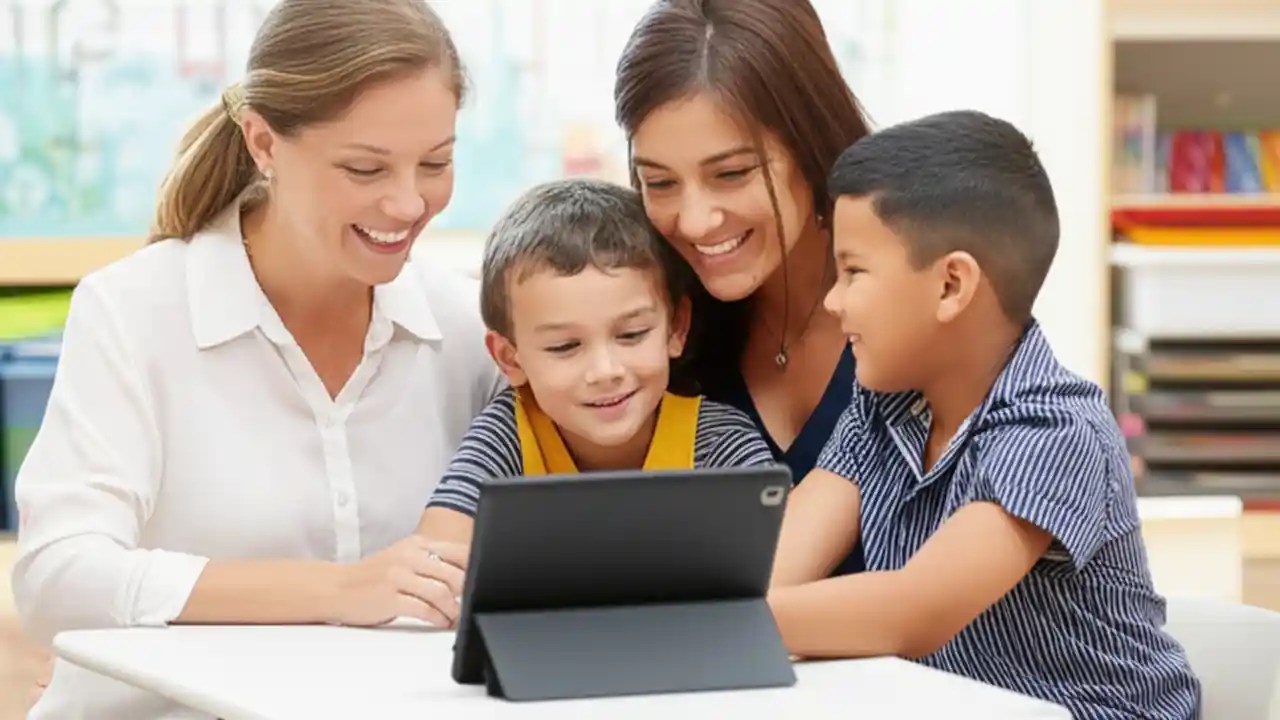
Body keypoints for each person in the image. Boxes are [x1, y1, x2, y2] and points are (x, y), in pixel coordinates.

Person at [12, 1, 500, 717]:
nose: (407, 202)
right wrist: (342, 591)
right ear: (264, 143)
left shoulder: (465, 328)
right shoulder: (135, 311)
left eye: (436, 163)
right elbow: (57, 581)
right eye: (365, 168)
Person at [766, 110, 1201, 718]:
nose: (834, 302)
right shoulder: (880, 407)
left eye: (853, 271)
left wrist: (710, 618)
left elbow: (914, 611)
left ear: (951, 286)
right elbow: (775, 568)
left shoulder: (1056, 429)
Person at [614, 0, 869, 574]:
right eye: (659, 182)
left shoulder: (918, 304)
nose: (697, 221)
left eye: (731, 174)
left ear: (810, 146)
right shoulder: (651, 329)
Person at [419, 178, 776, 541]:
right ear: (510, 359)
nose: (606, 372)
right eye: (564, 347)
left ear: (676, 329)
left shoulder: (719, 443)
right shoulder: (507, 436)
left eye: (632, 335)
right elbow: (436, 554)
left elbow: (778, 562)